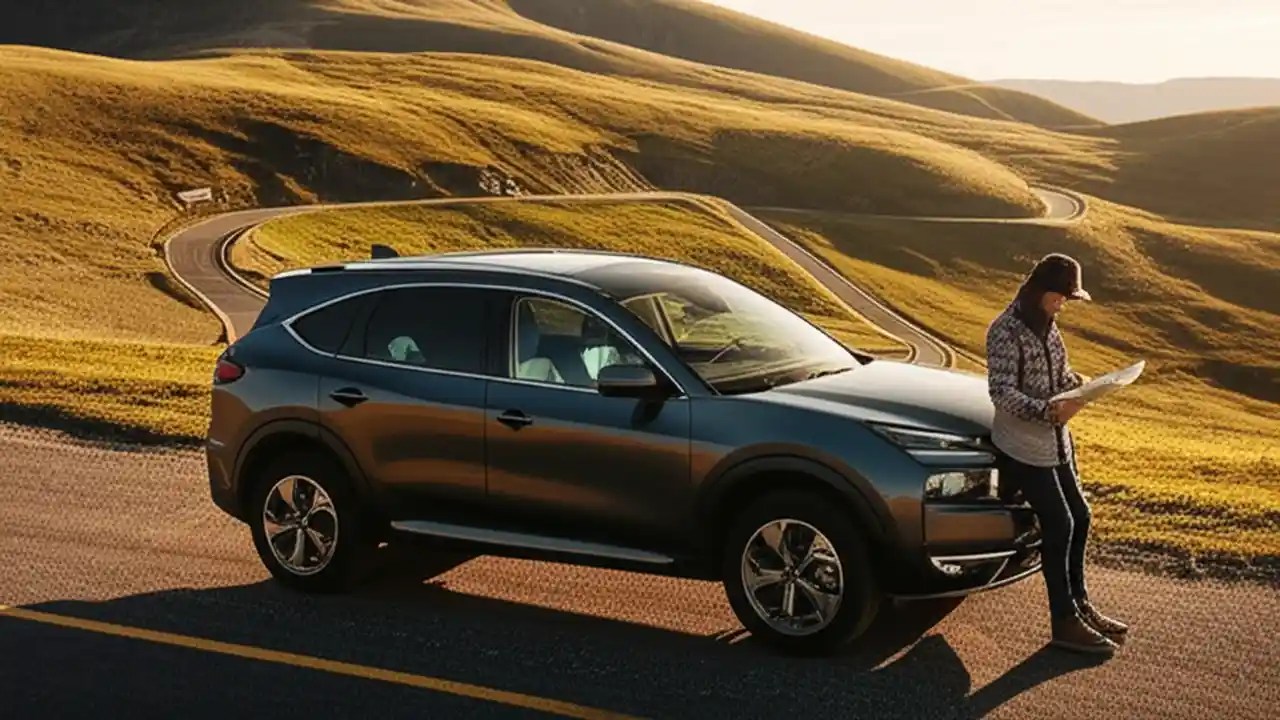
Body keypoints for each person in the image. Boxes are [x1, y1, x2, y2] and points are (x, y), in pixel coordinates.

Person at [985, 253, 1129, 656]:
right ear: (1040, 290)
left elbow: (1060, 377)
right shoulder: (1005, 331)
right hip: (1022, 446)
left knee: (1080, 516)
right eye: (1060, 297)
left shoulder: (1050, 329)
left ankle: (1080, 606)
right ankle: (1064, 622)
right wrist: (1046, 411)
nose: (1063, 304)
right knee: (1060, 523)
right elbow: (1001, 392)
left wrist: (1084, 386)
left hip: (1056, 442)